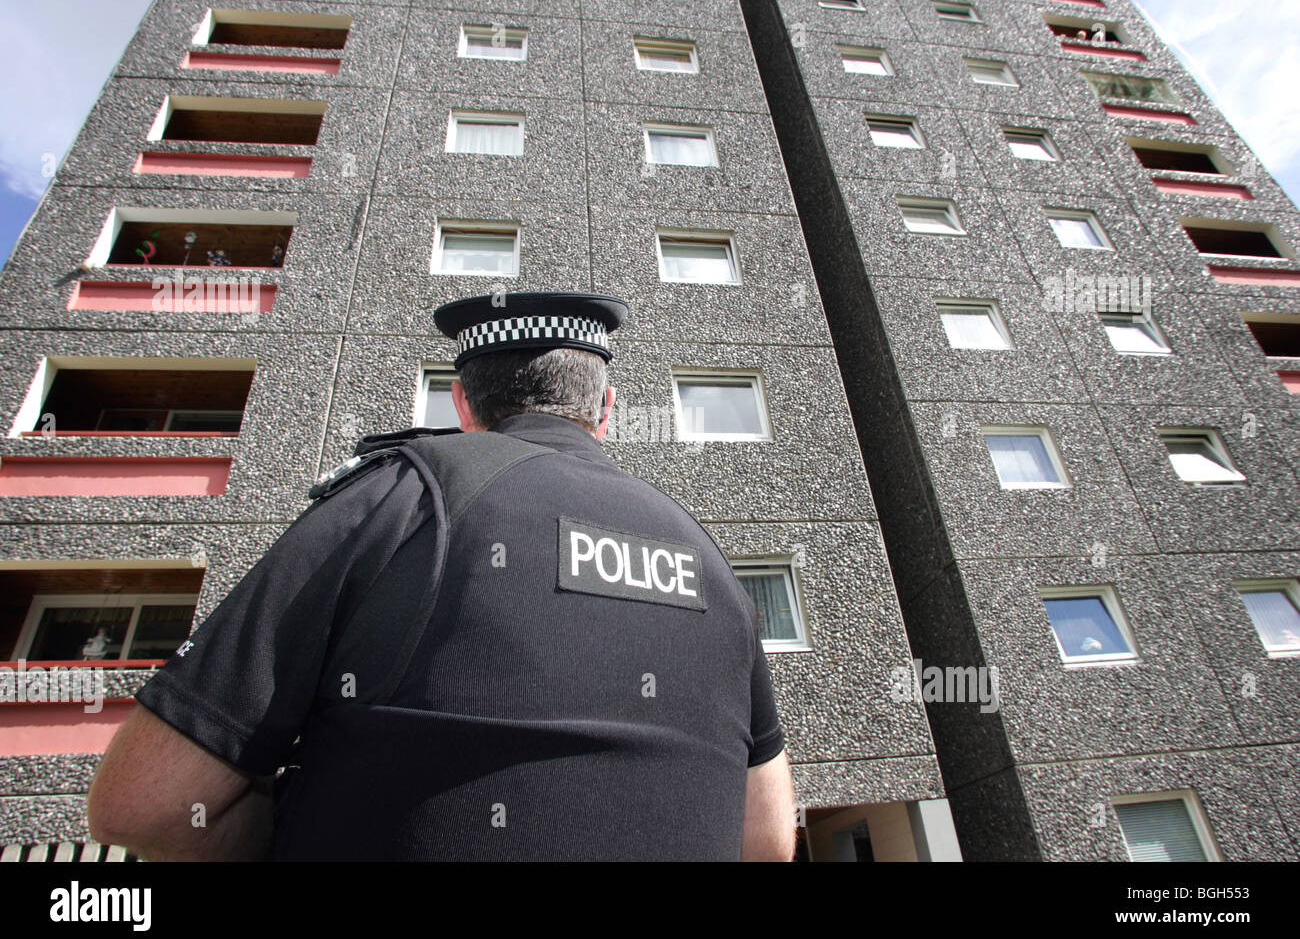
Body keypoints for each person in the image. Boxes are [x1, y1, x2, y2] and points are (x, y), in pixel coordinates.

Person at [87, 291, 794, 861]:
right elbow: (765, 840)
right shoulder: (709, 560)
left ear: (461, 405)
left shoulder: (401, 497)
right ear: (605, 411)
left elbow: (142, 803)